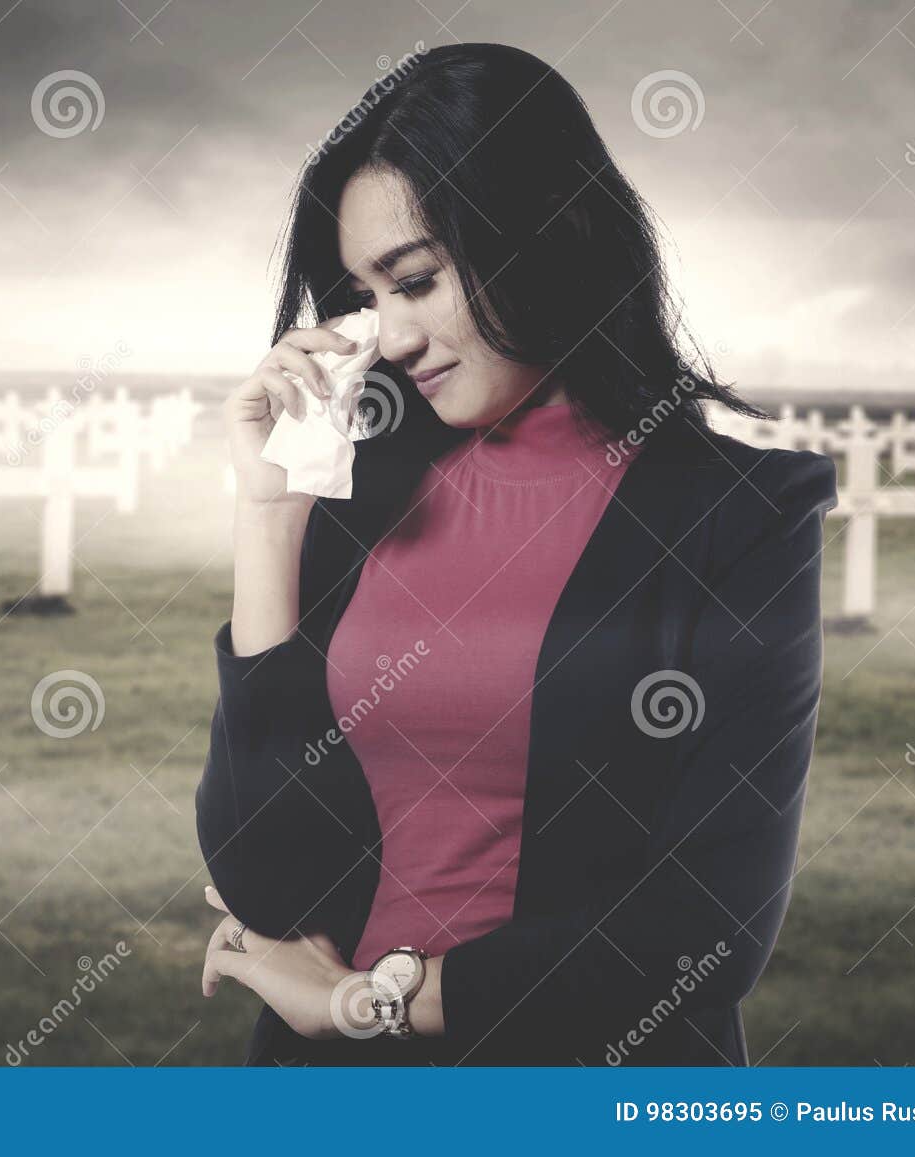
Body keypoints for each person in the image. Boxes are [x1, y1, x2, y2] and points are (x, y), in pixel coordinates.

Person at [194, 42, 837, 1066]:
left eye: (416, 281)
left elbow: (703, 929)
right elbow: (266, 879)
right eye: (367, 296)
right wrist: (270, 515)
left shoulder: (742, 516)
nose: (390, 336)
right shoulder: (358, 489)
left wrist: (369, 1000)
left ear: (544, 232)